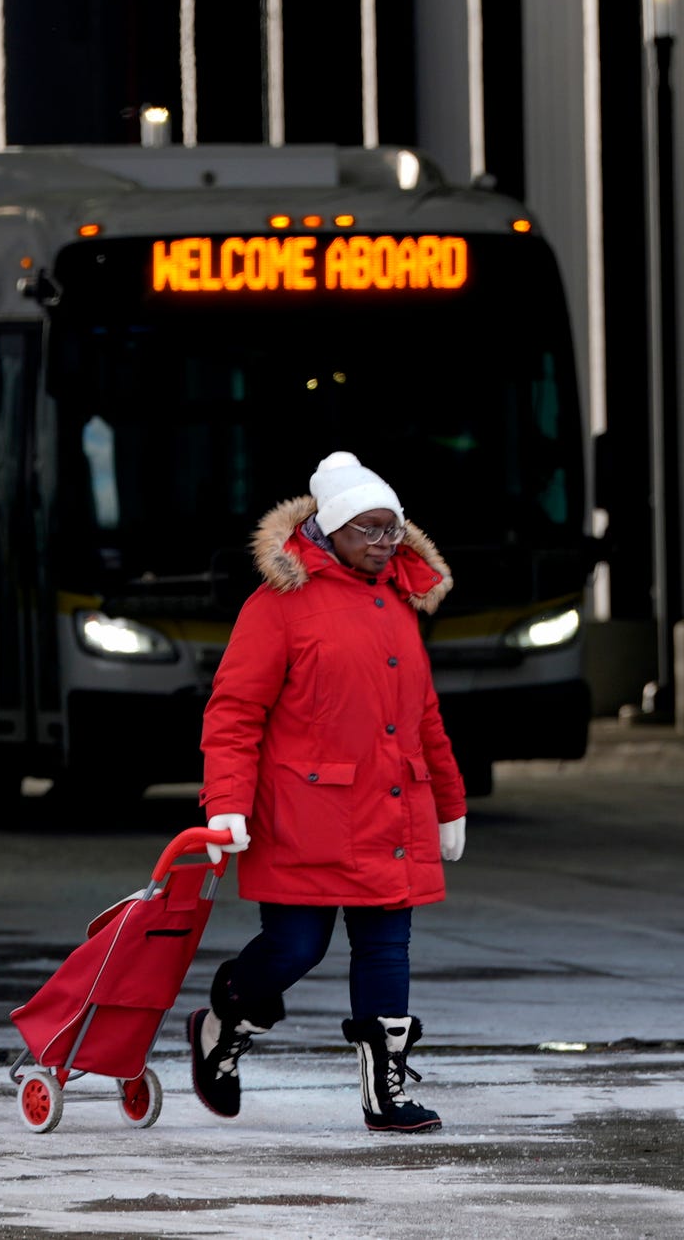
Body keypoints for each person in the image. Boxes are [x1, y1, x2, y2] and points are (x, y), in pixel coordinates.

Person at [186, 450, 468, 1132]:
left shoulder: (399, 601)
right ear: (330, 528)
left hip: (390, 812)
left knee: (385, 948)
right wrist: (226, 799)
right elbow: (235, 709)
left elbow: (423, 714)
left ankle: (386, 1094)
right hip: (304, 815)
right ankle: (223, 1018)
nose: (383, 543)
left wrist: (451, 803)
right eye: (367, 529)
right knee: (295, 949)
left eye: (392, 529)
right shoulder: (278, 604)